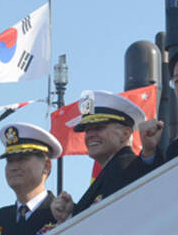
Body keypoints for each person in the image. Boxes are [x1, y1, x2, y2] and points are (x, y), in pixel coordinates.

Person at [50, 90, 165, 222]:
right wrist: (70, 215)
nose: (91, 135)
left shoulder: (128, 167)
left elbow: (149, 177)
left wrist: (149, 152)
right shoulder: (111, 171)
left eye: (99, 127)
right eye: (87, 130)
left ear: (126, 134)